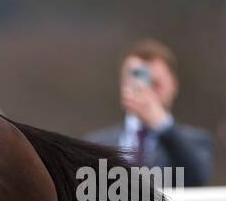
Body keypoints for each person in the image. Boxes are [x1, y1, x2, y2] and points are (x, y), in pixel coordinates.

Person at [87, 39, 213, 186]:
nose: (146, 93)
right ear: (122, 86)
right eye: (137, 84)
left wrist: (162, 126)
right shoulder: (95, 145)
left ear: (174, 86)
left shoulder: (196, 142)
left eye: (155, 84)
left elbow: (198, 177)